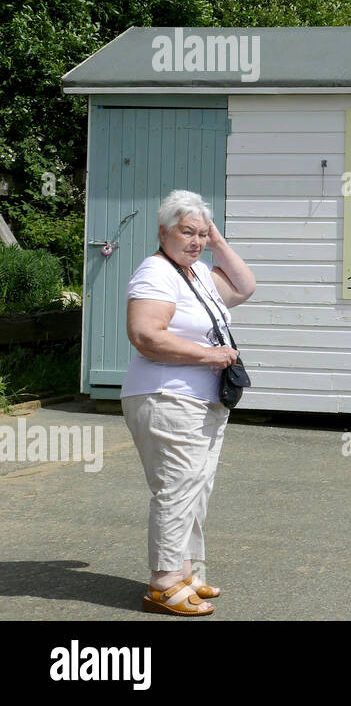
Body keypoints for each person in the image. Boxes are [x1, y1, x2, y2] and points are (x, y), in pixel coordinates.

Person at [122, 190, 256, 615]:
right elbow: (146, 335)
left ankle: (184, 572)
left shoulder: (196, 273)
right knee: (176, 489)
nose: (195, 241)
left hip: (203, 401)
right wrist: (210, 355)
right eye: (187, 232)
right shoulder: (155, 273)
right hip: (167, 396)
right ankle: (163, 584)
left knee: (196, 489)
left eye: (202, 233)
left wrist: (215, 239)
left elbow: (245, 286)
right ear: (163, 232)